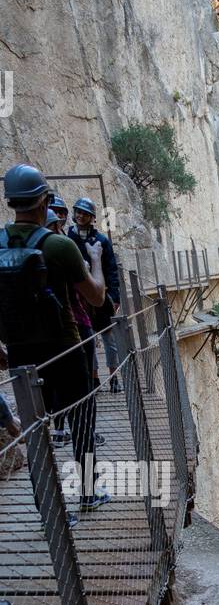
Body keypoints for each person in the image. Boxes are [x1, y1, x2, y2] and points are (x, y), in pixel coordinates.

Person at [0, 164, 109, 513]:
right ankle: (88, 493)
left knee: (36, 428)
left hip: (19, 353)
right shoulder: (59, 245)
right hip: (64, 347)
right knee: (81, 418)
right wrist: (95, 261)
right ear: (44, 199)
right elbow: (95, 297)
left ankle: (47, 504)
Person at [71, 196, 120, 391]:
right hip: (80, 299)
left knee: (108, 338)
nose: (80, 216)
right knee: (87, 338)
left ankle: (114, 377)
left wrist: (115, 297)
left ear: (92, 218)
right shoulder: (69, 239)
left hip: (101, 296)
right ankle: (93, 378)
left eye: (85, 214)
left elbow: (111, 270)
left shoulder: (102, 241)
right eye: (78, 212)